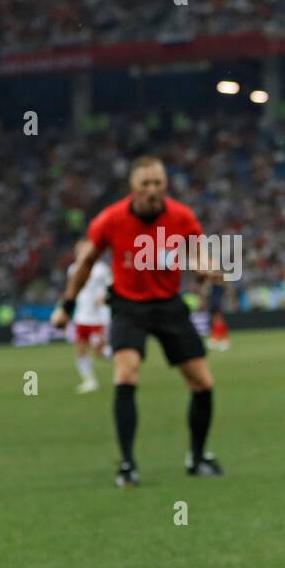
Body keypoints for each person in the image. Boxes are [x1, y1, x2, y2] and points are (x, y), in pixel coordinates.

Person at [52, 156, 223, 487]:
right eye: (145, 184)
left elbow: (199, 252)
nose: (151, 190)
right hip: (128, 306)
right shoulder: (110, 220)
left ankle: (197, 457)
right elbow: (86, 263)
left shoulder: (182, 216)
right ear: (133, 187)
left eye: (157, 183)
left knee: (202, 383)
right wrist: (67, 306)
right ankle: (128, 465)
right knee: (125, 374)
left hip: (169, 306)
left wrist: (205, 267)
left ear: (165, 185)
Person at [65, 238, 112, 394]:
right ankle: (89, 381)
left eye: (86, 250)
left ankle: (121, 355)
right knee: (80, 350)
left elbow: (111, 286)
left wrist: (104, 296)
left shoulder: (100, 269)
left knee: (99, 351)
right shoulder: (72, 269)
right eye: (81, 250)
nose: (84, 252)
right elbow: (71, 290)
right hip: (81, 316)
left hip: (98, 317)